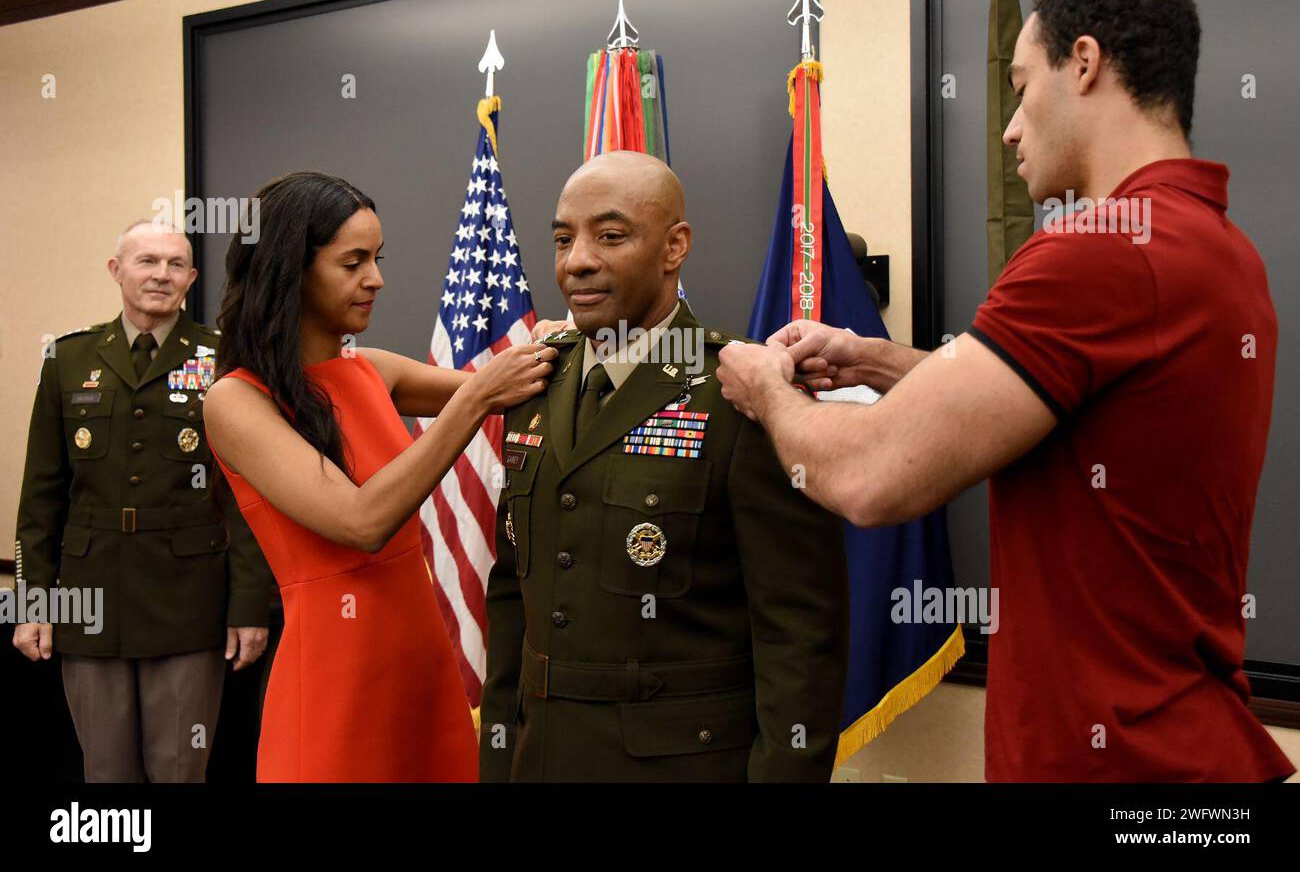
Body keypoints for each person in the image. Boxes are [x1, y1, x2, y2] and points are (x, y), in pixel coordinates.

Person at [716, 0, 1294, 783]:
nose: (1011, 127)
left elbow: (871, 477)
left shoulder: (1093, 252)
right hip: (1187, 757)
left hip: (1114, 763)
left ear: (1085, 64)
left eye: (1022, 88)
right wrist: (874, 359)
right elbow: (1060, 401)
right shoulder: (1214, 249)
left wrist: (765, 389)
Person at [478, 151, 848, 783]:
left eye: (611, 235)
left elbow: (800, 633)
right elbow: (514, 593)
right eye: (563, 239)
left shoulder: (741, 391)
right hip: (541, 758)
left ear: (675, 246)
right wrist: (497, 754)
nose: (578, 261)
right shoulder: (534, 384)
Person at [202, 171, 554, 782]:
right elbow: (361, 521)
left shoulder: (370, 370)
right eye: (353, 262)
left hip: (420, 659)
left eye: (377, 258)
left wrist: (559, 341)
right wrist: (474, 398)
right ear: (291, 269)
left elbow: (514, 386)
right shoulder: (236, 401)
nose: (377, 279)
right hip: (338, 676)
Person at [13, 219, 274, 782]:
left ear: (191, 277)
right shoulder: (68, 358)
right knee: (104, 773)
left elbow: (245, 494)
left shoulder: (224, 357)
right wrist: (32, 603)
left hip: (189, 601)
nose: (161, 275)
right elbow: (41, 494)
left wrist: (249, 603)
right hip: (89, 599)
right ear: (117, 271)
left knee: (180, 768)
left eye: (175, 264)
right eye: (146, 261)